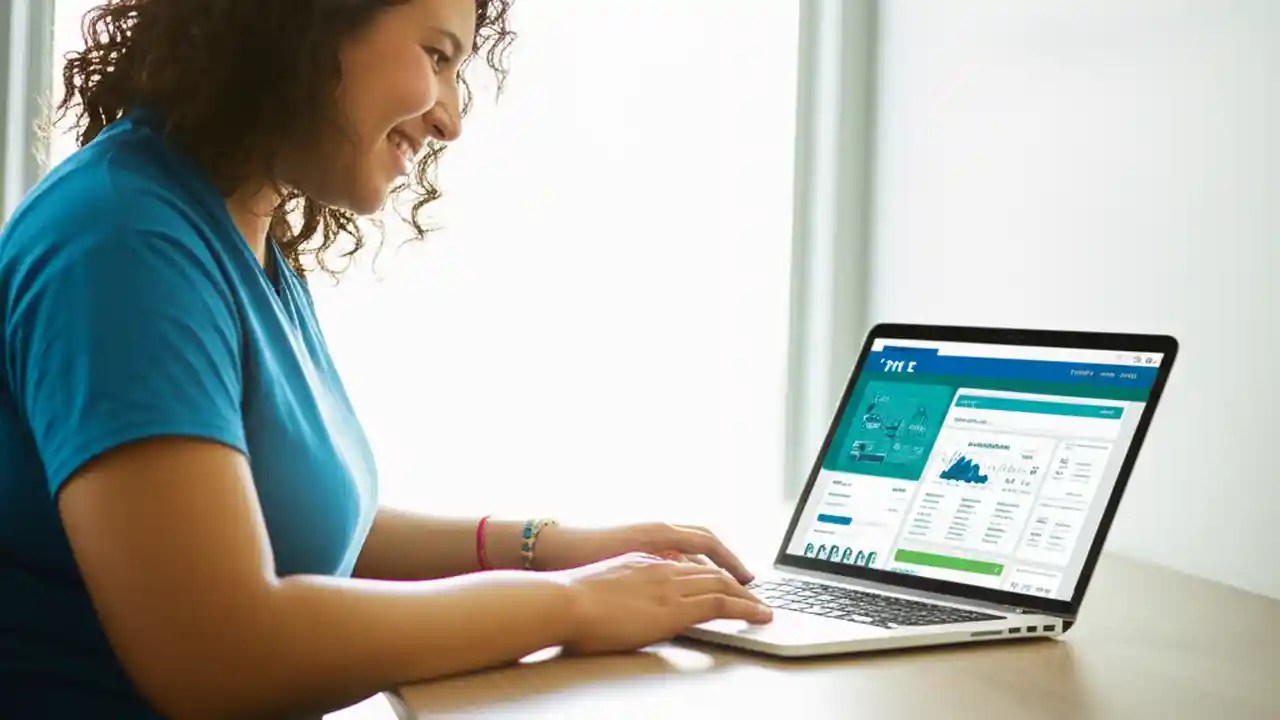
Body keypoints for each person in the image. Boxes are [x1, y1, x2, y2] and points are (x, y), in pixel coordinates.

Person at [0, 1, 772, 717]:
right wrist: (572, 604)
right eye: (437, 56)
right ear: (304, 23)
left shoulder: (230, 223)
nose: (451, 118)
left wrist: (544, 548)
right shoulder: (124, 243)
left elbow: (300, 530)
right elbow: (216, 653)